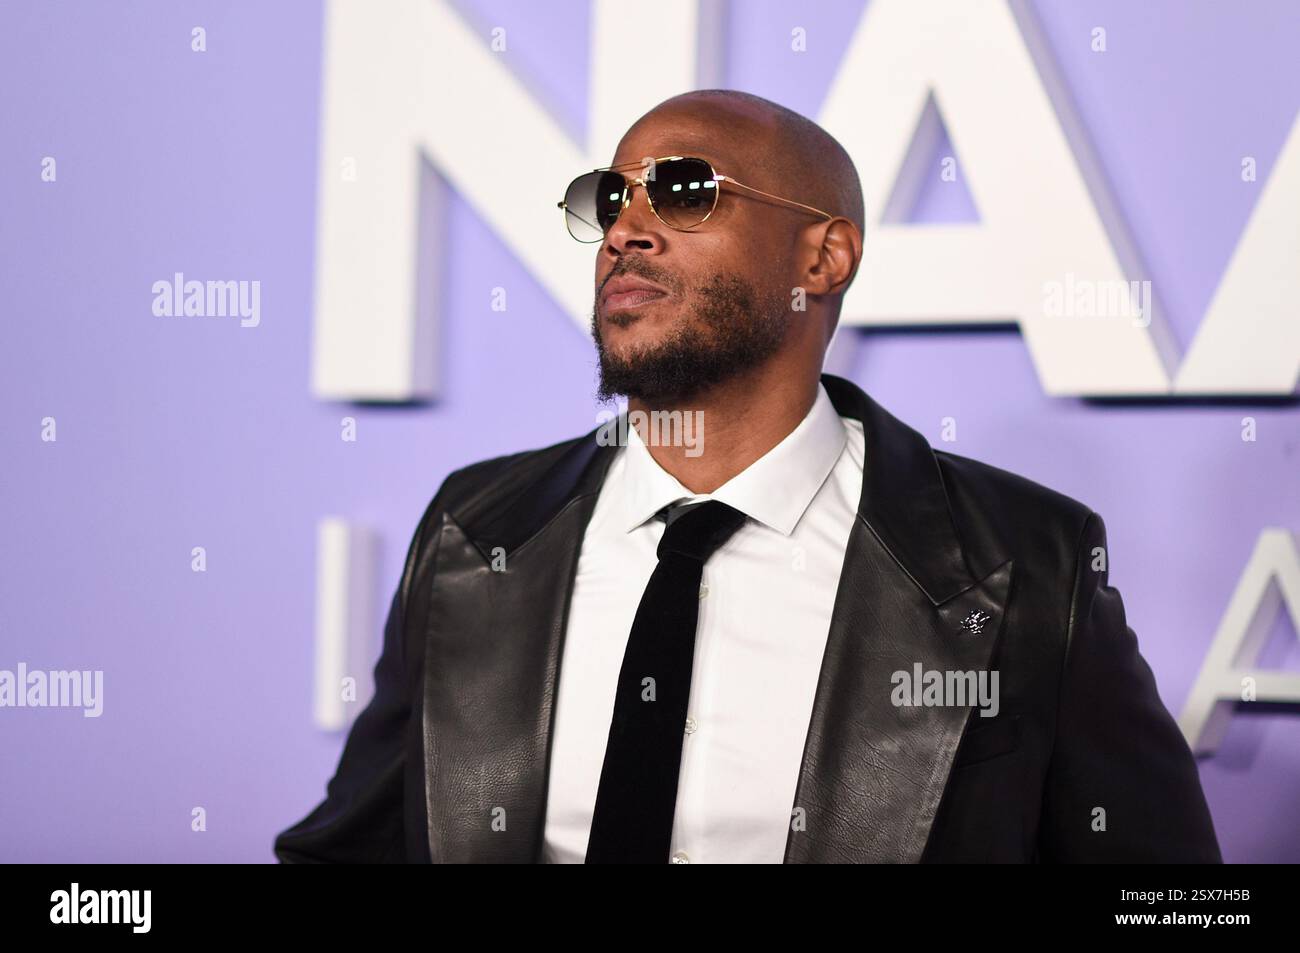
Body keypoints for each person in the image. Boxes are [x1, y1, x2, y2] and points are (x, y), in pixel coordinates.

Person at [275, 89, 1221, 864]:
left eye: (683, 191)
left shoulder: (1029, 567)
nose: (625, 230)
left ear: (824, 255)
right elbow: (350, 850)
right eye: (611, 201)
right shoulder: (472, 530)